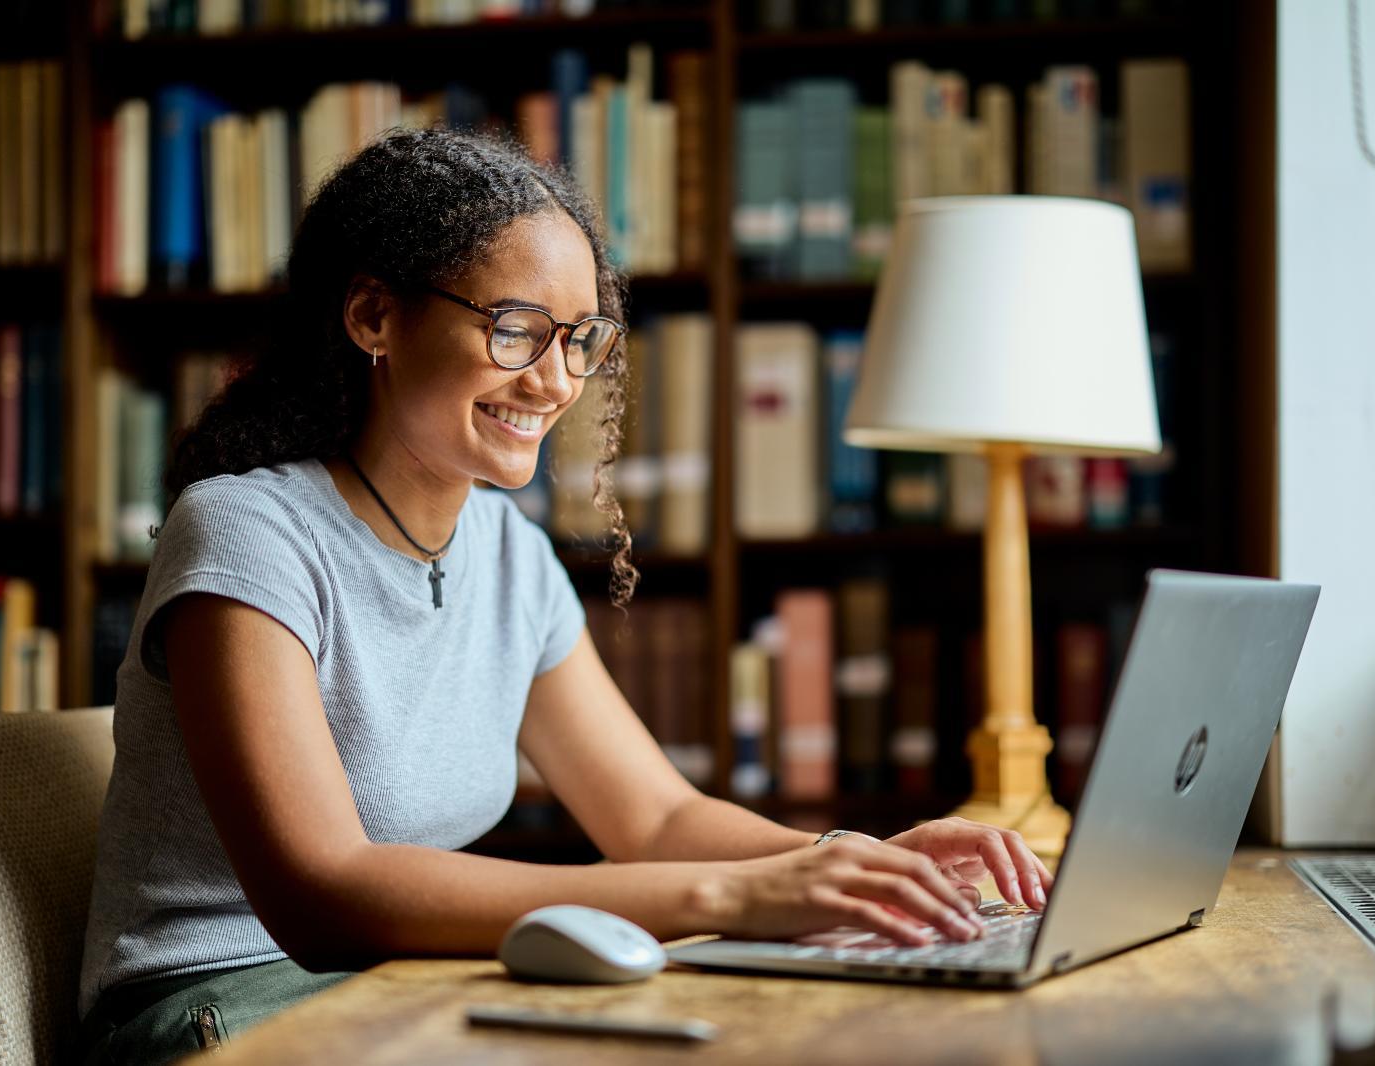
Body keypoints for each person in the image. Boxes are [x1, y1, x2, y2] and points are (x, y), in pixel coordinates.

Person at [75, 127, 1053, 1065]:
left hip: (408, 987)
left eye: (579, 339)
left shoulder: (508, 552)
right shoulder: (245, 528)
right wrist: (741, 891)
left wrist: (857, 861)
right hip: (217, 1008)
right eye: (514, 330)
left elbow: (655, 818)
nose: (552, 382)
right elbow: (325, 892)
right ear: (373, 316)